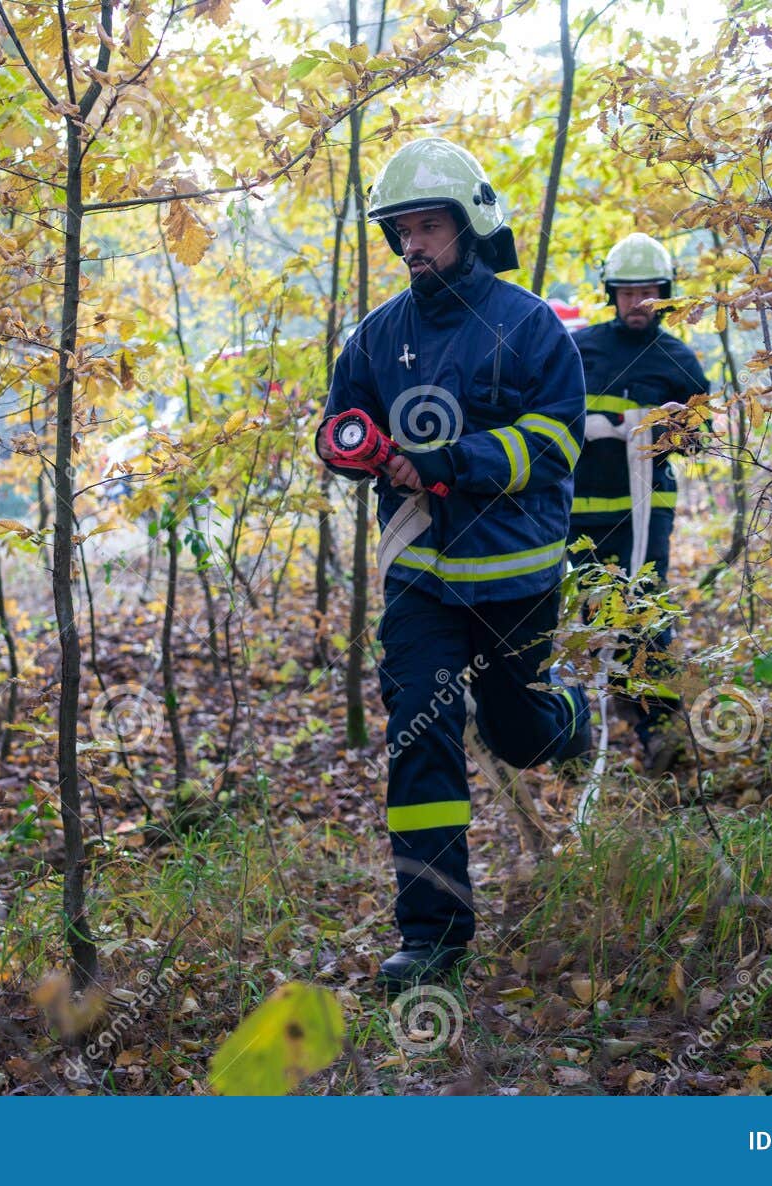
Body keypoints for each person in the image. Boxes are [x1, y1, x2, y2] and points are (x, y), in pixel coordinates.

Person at [314, 137, 590, 991]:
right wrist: (347, 449)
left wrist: (449, 462)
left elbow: (555, 443)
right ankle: (432, 937)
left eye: (428, 227)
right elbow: (340, 423)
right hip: (421, 579)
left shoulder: (531, 326)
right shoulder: (375, 337)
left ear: (470, 226)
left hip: (516, 577)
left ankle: (566, 718)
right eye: (401, 231)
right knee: (419, 739)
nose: (413, 246)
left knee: (516, 736)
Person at [568, 232, 713, 775]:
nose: (637, 303)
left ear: (665, 295)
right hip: (580, 514)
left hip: (646, 513)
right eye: (628, 293)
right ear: (612, 294)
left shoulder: (678, 360)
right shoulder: (577, 350)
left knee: (646, 614)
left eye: (648, 293)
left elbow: (698, 440)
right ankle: (580, 733)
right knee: (589, 616)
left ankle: (660, 733)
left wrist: (671, 428)